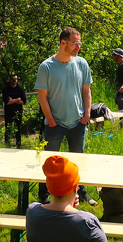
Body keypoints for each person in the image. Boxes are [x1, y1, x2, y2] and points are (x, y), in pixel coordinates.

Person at [35, 28, 95, 206]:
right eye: (75, 43)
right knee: (50, 161)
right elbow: (42, 97)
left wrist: (87, 114)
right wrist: (51, 121)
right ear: (63, 43)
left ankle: (80, 191)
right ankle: (44, 194)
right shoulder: (46, 67)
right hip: (55, 124)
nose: (78, 47)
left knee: (78, 160)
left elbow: (86, 91)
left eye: (79, 43)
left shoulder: (82, 63)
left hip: (78, 122)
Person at [1, 74, 26, 147]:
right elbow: (7, 102)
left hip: (18, 112)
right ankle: (7, 144)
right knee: (8, 128)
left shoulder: (20, 89)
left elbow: (24, 102)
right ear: (10, 80)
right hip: (8, 112)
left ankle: (18, 144)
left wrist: (13, 100)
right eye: (13, 79)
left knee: (18, 128)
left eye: (16, 79)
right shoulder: (6, 89)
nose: (15, 81)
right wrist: (17, 100)